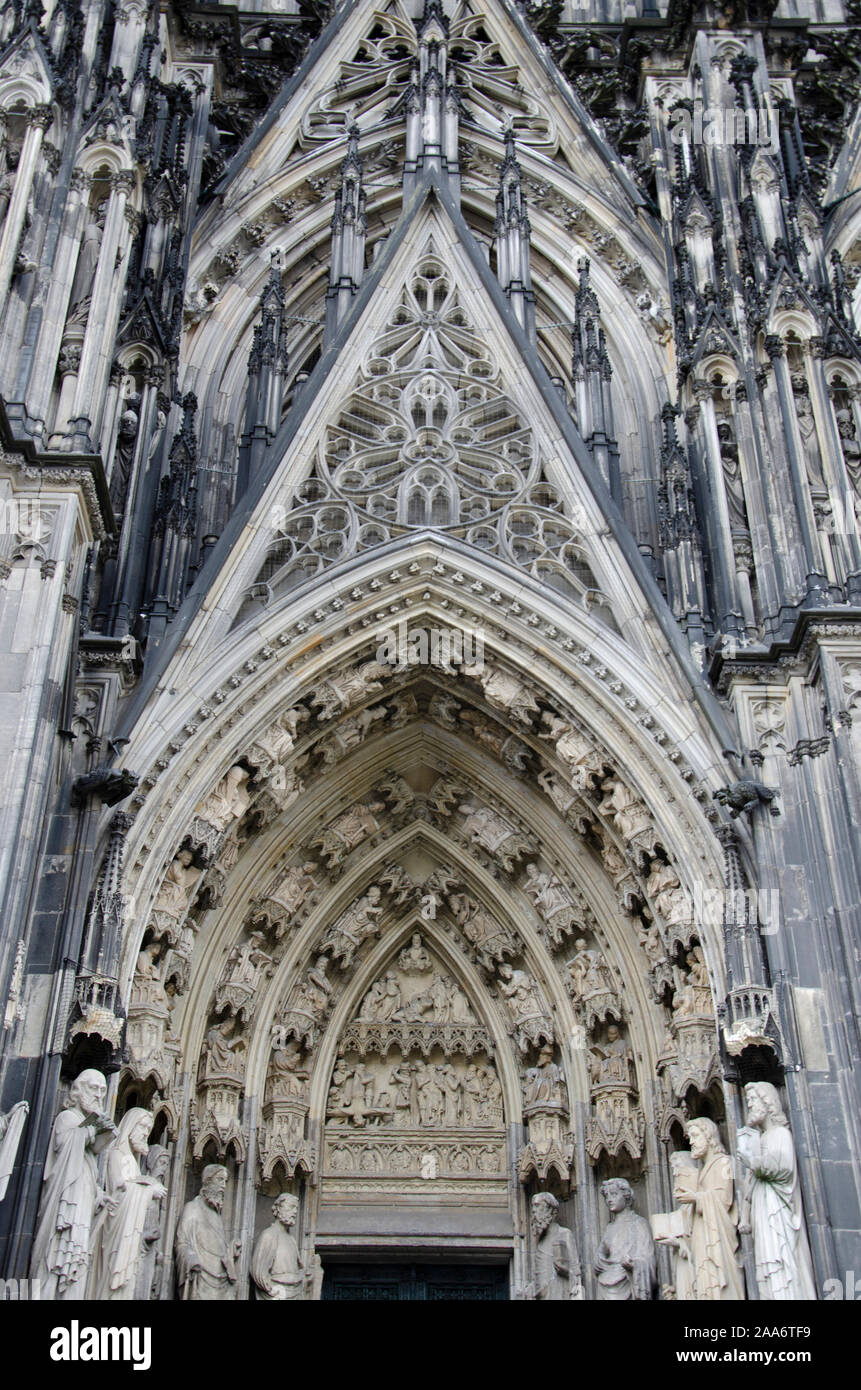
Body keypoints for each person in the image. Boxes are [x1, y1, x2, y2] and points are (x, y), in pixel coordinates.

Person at [30, 1069, 116, 1299]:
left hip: (82, 1199)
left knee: (75, 1255)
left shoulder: (84, 1125)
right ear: (78, 1090)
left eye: (103, 1090)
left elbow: (89, 1159)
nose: (99, 1095)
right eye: (94, 1088)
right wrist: (92, 1126)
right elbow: (67, 1147)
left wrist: (98, 1194)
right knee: (57, 1251)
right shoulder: (67, 1117)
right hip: (64, 1200)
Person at [737, 1082, 815, 1300]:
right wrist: (745, 1214)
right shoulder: (761, 1139)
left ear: (767, 1102)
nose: (749, 1104)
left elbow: (784, 1168)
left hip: (777, 1210)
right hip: (763, 1208)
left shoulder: (780, 1134)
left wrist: (753, 1162)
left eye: (753, 1100)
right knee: (767, 1262)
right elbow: (751, 1186)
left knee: (781, 1259)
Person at [89, 1108, 166, 1300]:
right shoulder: (117, 1154)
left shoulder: (130, 1159)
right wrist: (148, 1191)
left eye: (149, 1129)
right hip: (115, 1232)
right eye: (142, 1127)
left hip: (126, 1234)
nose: (145, 1133)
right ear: (130, 1126)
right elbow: (118, 1191)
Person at [175, 1164, 239, 1300]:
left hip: (221, 1280)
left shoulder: (217, 1216)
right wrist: (191, 1260)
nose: (223, 1186)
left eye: (225, 1181)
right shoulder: (192, 1209)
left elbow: (217, 1249)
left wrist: (230, 1250)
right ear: (208, 1181)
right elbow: (182, 1243)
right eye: (220, 1180)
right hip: (201, 1276)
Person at [594, 1178, 657, 1300]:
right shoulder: (609, 1228)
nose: (609, 1199)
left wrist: (633, 1264)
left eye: (614, 1194)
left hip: (627, 1280)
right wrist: (601, 1259)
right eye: (606, 1196)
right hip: (606, 1281)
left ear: (626, 1196)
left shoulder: (639, 1223)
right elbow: (598, 1259)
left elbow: (648, 1258)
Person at [251, 1193, 312, 1301]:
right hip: (278, 1293)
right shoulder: (269, 1235)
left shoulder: (291, 1239)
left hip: (295, 1291)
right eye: (291, 1207)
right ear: (278, 1208)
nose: (295, 1212)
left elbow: (298, 1269)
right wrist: (272, 1289)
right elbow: (258, 1270)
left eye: (296, 1208)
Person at [529, 1192, 583, 1300]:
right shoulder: (540, 1240)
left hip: (559, 1291)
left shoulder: (564, 1234)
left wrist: (565, 1270)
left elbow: (576, 1274)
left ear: (551, 1211)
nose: (534, 1210)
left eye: (538, 1205)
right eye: (533, 1206)